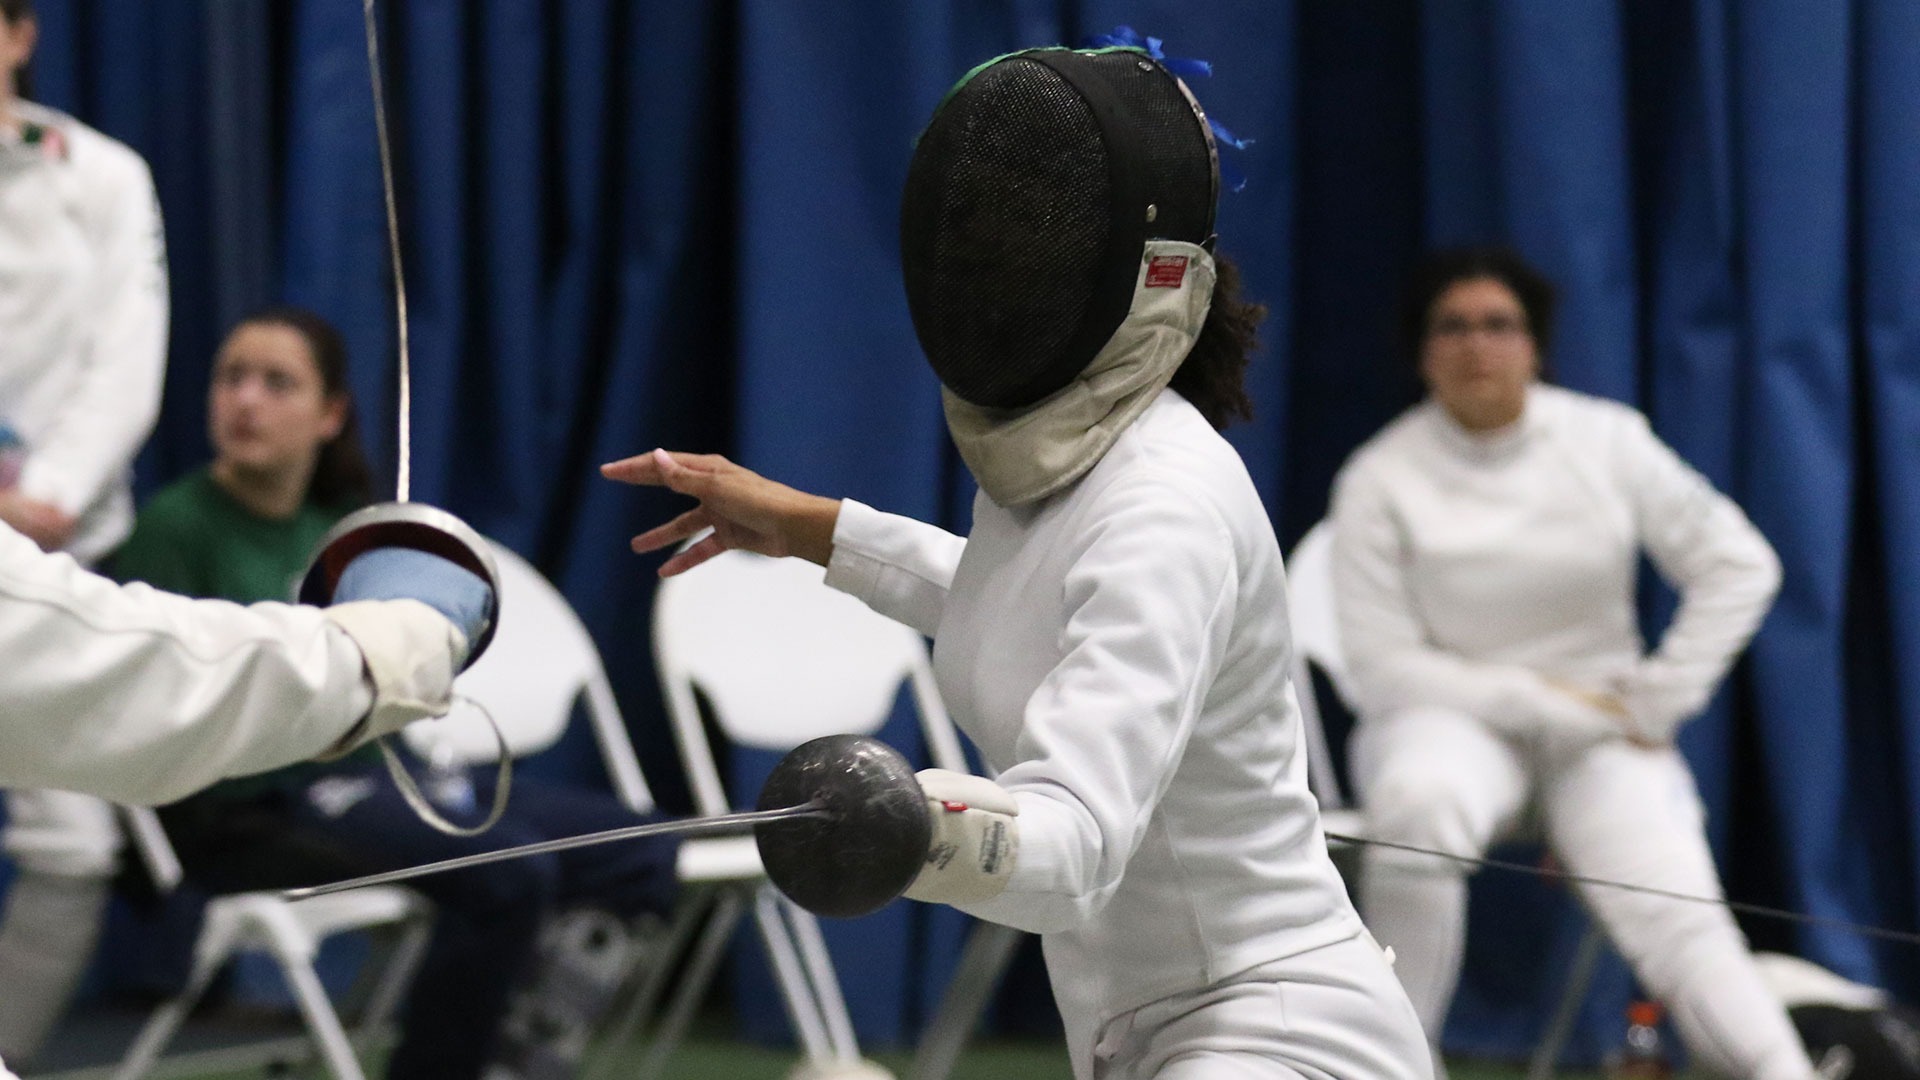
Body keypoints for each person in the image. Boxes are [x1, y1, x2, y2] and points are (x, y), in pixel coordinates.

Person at [605, 43, 1431, 1080]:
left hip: (1280, 1039)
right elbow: (1028, 613)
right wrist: (811, 527)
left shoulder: (1164, 505)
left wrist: (911, 822)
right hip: (1154, 1034)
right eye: (983, 224)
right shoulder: (1078, 470)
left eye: (1027, 226)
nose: (992, 254)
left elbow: (1074, 848)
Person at [115, 307, 679, 1080]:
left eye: (277, 383)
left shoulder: (346, 529)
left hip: (384, 773)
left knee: (638, 848)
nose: (246, 400)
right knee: (512, 874)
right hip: (262, 800)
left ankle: (521, 1050)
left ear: (331, 414)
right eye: (231, 378)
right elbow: (154, 706)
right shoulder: (173, 530)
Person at [1328, 246, 1818, 1079]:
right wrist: (1549, 702)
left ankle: (1786, 1072)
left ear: (1534, 345)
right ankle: (1395, 1065)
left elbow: (1741, 563)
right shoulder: (1380, 476)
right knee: (1418, 809)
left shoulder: (1606, 441)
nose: (1477, 345)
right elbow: (1383, 671)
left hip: (1602, 734)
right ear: (1422, 351)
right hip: (1447, 724)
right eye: (1452, 327)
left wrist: (1662, 698)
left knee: (1680, 911)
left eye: (1499, 325)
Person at [0, 0, 179, 1059]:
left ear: (20, 33)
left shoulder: (103, 177)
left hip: (46, 556)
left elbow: (126, 356)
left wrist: (51, 493)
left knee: (69, 845)